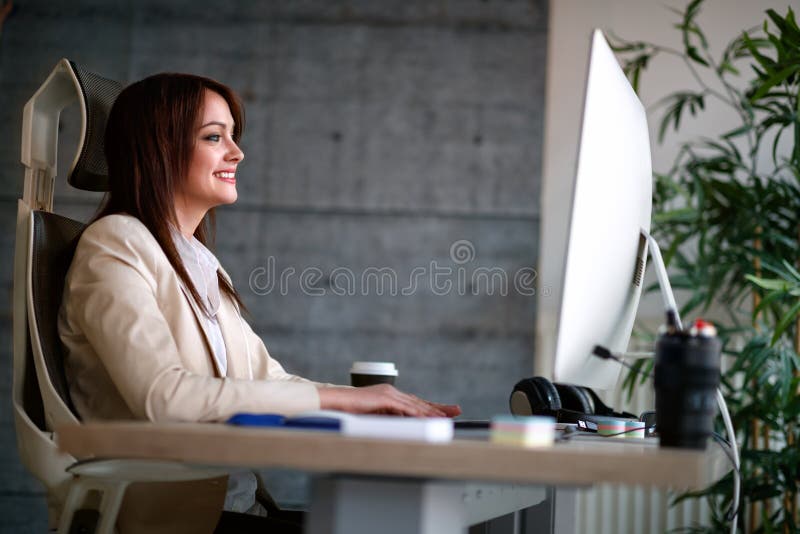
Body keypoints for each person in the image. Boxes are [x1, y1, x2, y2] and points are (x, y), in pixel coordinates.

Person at [58, 73, 461, 534]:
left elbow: (269, 379)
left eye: (233, 135)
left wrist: (369, 402)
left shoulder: (200, 264)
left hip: (241, 511)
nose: (237, 152)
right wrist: (344, 399)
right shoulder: (115, 244)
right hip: (184, 520)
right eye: (214, 137)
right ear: (159, 149)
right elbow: (165, 397)